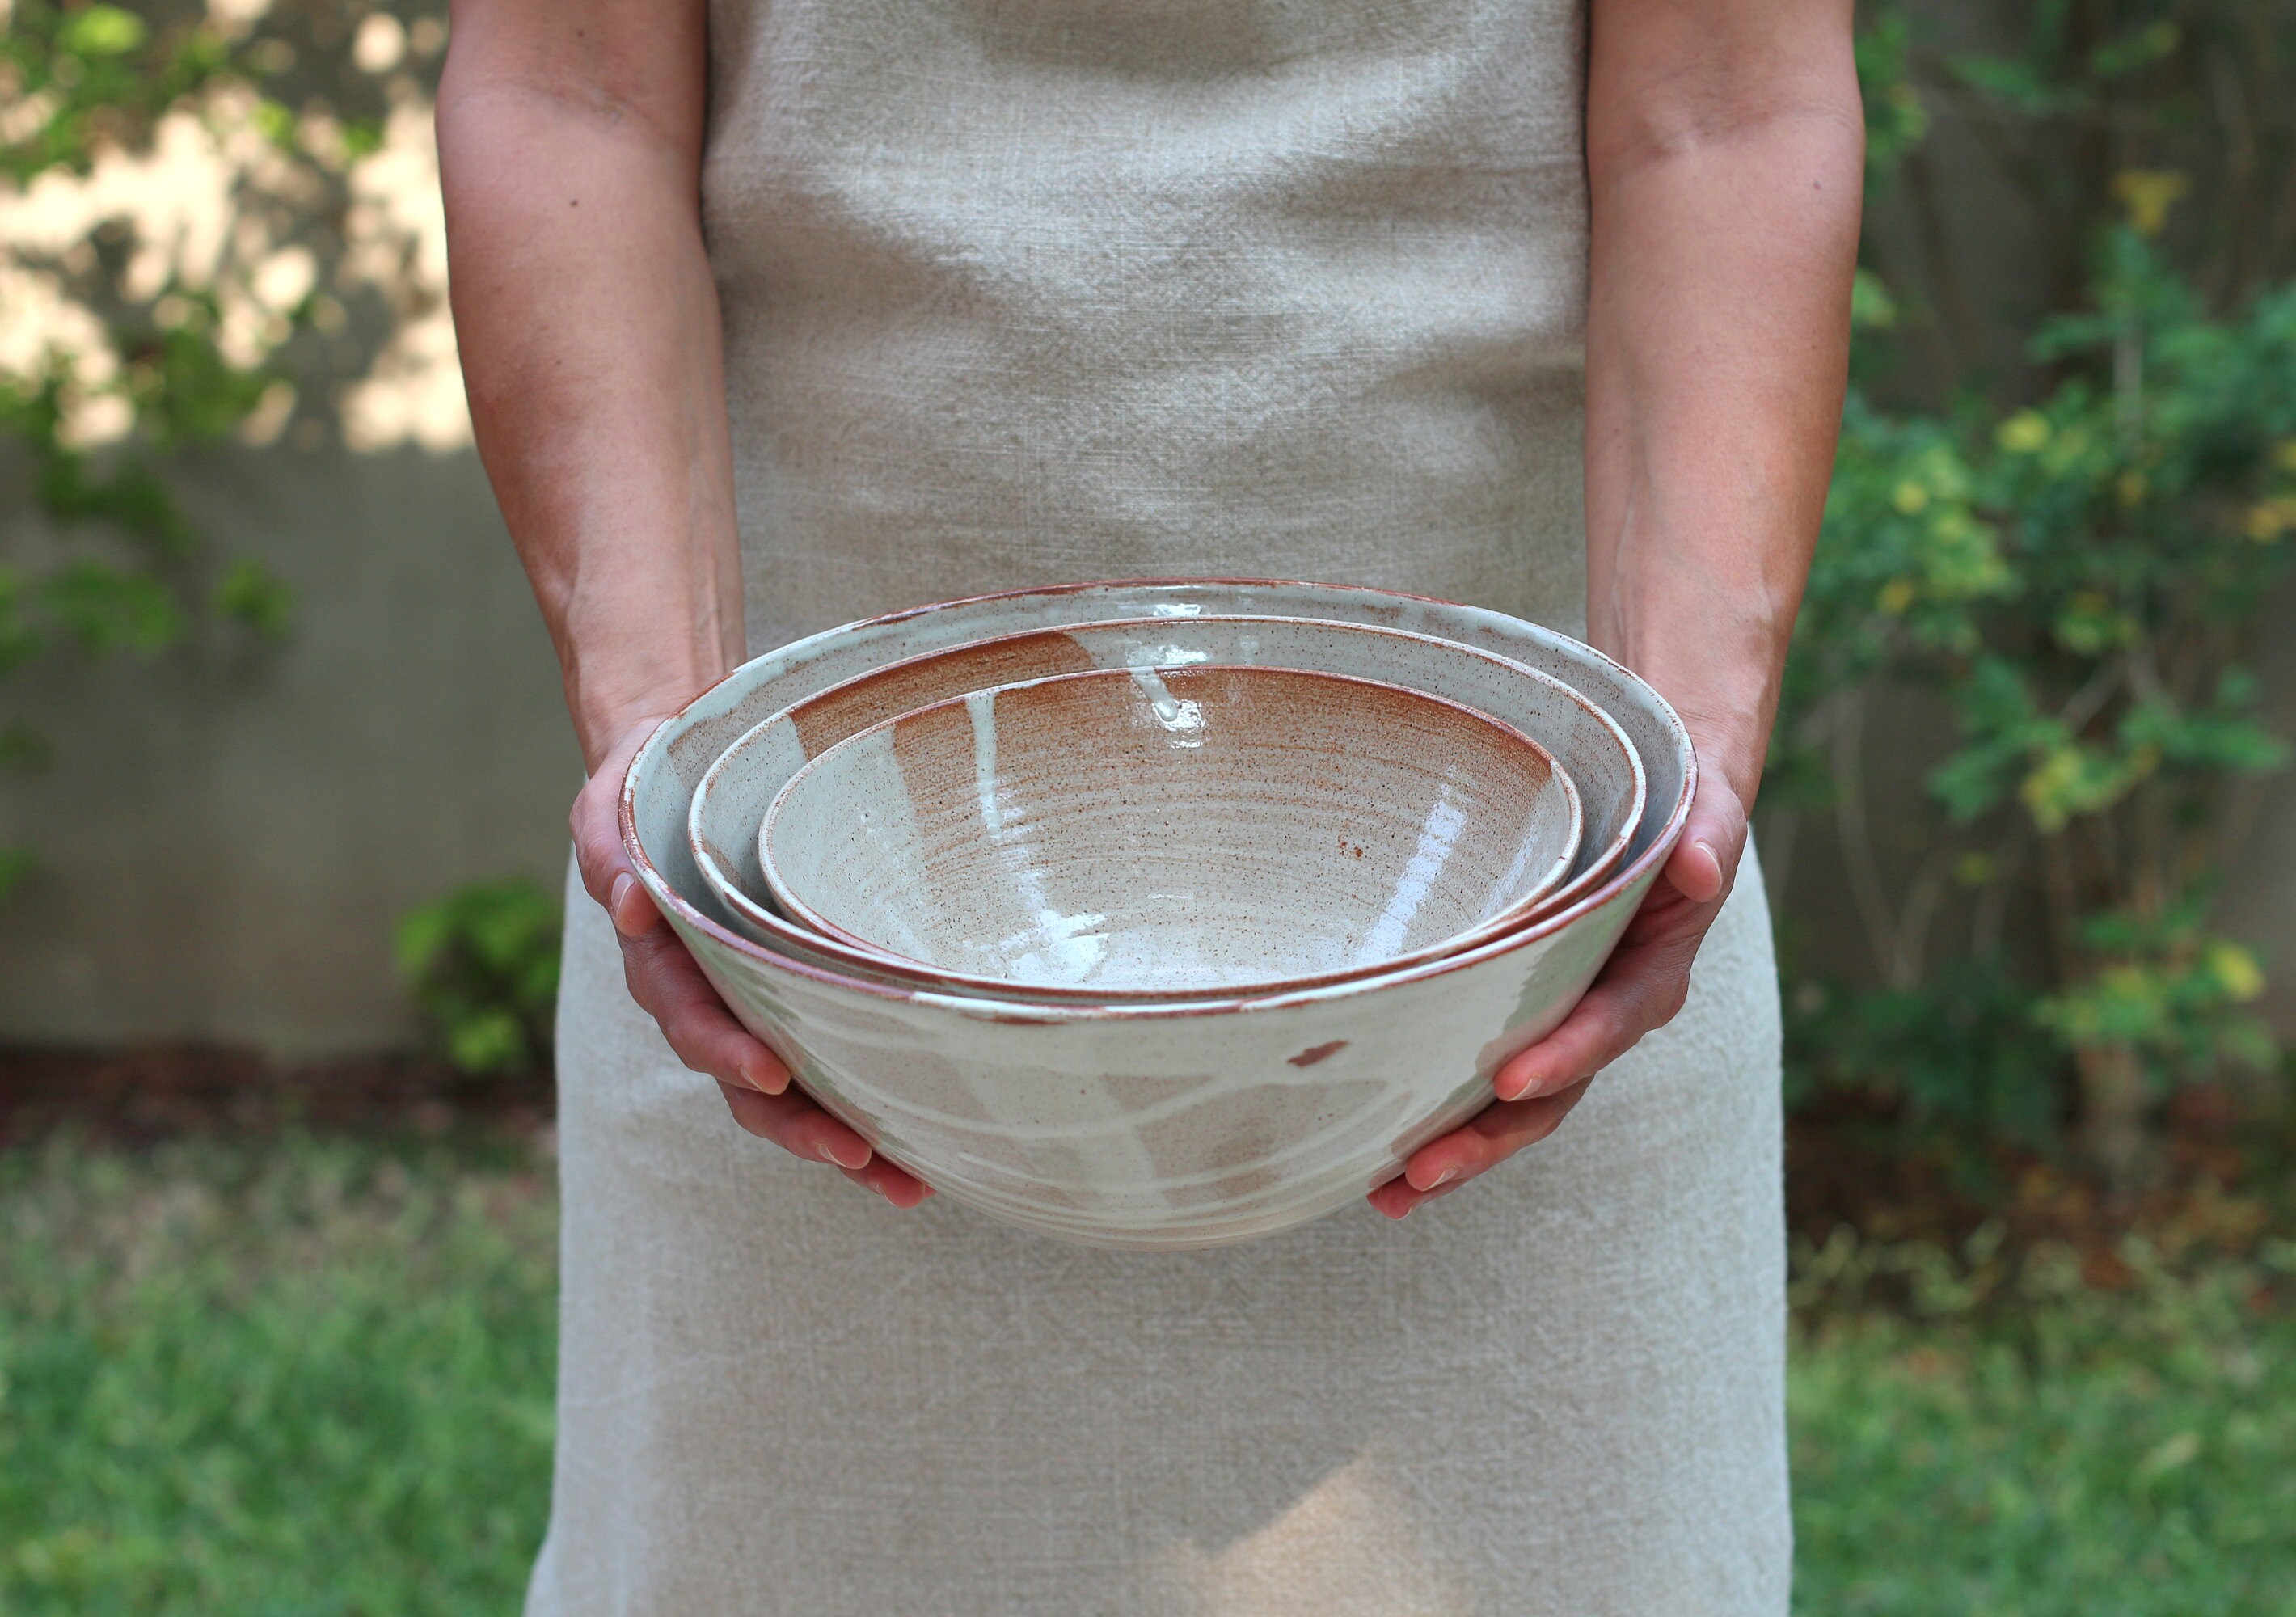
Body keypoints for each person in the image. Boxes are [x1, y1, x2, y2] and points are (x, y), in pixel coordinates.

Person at [438, 0, 1860, 1606]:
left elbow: (1727, 110)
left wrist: (1668, 784)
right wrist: (670, 749)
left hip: (1521, 919)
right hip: (800, 925)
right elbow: (574, 94)